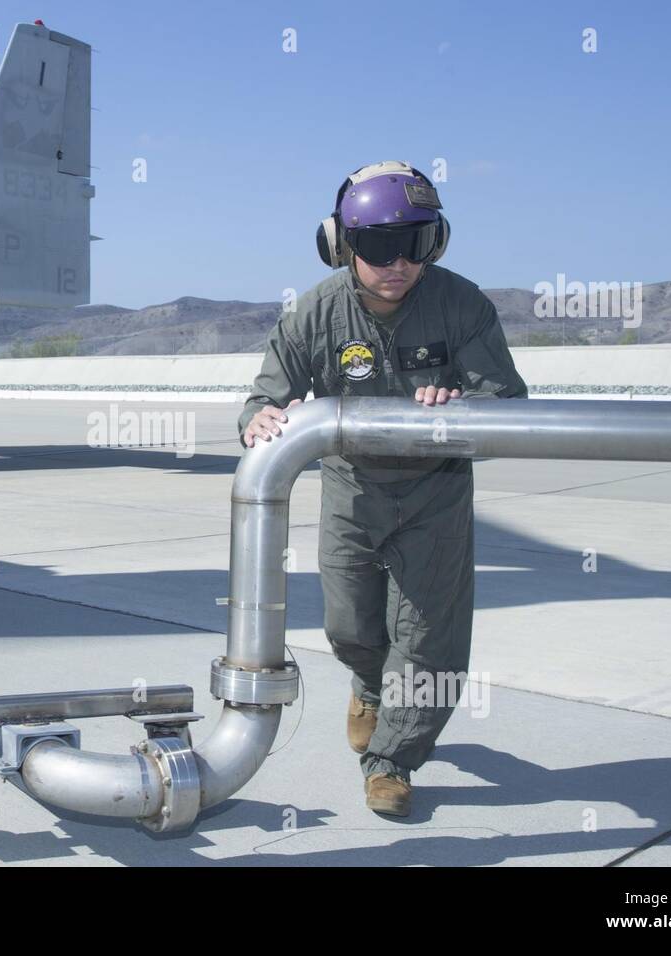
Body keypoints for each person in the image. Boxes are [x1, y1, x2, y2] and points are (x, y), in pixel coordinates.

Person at [239, 161, 528, 817]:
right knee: (349, 626)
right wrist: (258, 416)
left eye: (416, 244)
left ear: (438, 243)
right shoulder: (315, 312)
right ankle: (369, 685)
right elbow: (268, 390)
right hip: (352, 493)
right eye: (377, 248)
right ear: (343, 246)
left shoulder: (462, 305)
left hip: (436, 494)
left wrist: (462, 403)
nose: (398, 263)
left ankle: (392, 761)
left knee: (428, 639)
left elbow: (507, 399)